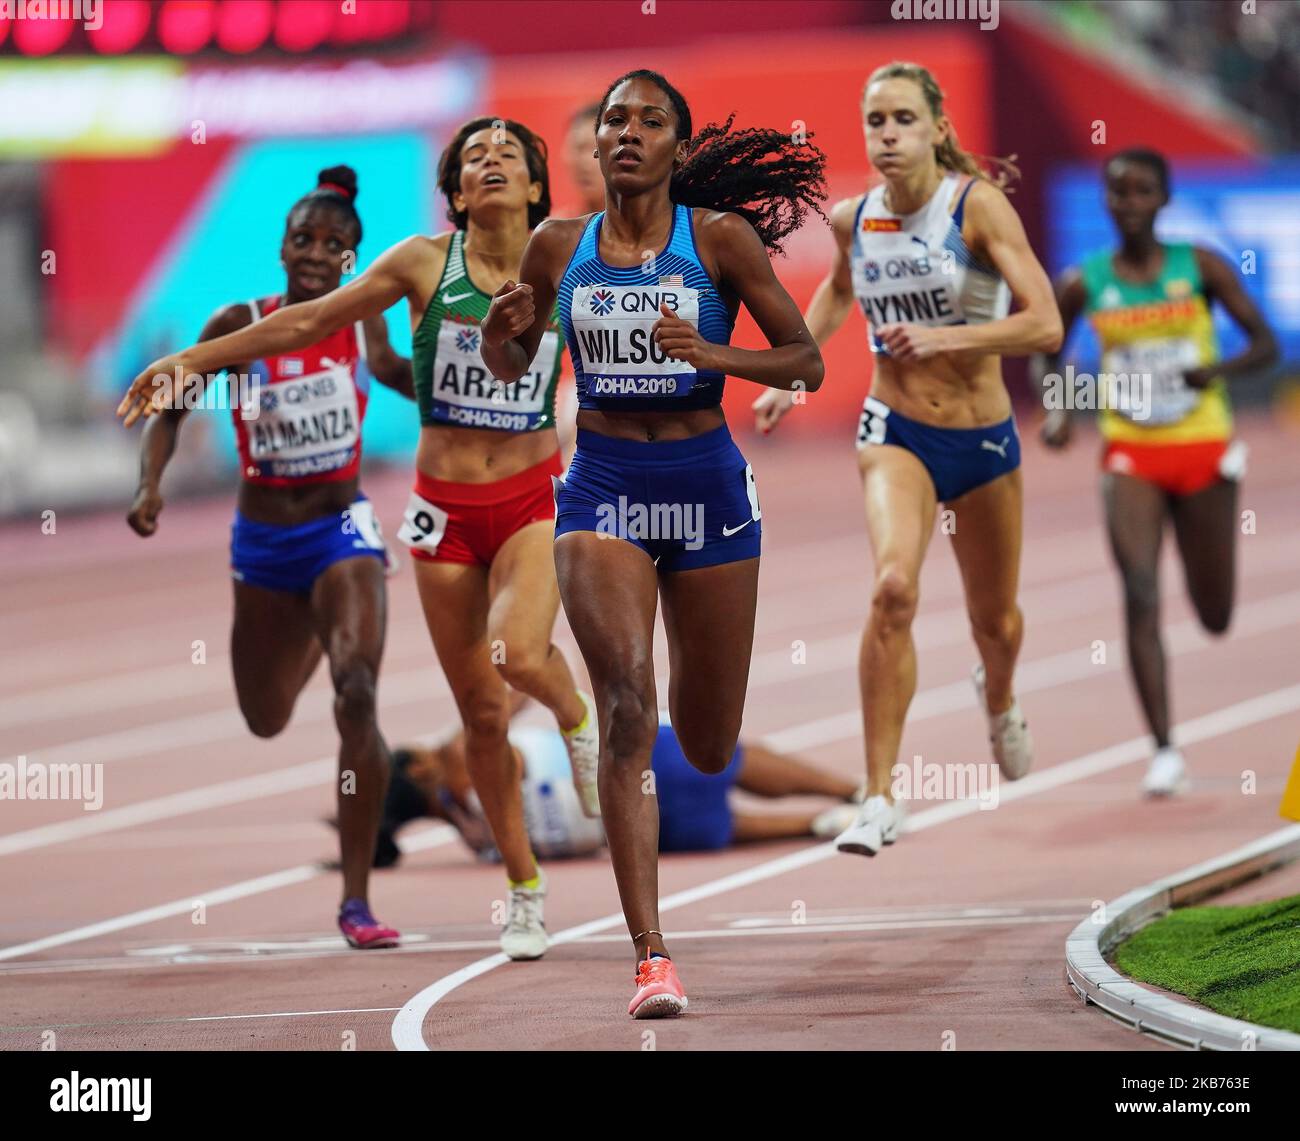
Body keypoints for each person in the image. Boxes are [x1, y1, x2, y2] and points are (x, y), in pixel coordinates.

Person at [118, 122, 600, 963]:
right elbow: (301, 327)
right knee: (475, 717)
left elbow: (647, 260)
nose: (488, 162)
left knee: (510, 658)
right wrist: (192, 364)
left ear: (534, 186)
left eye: (508, 157)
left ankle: (575, 718)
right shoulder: (418, 263)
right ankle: (525, 888)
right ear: (453, 192)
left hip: (506, 500)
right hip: (426, 513)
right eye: (472, 157)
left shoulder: (562, 251)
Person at [481, 69, 827, 1018]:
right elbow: (512, 363)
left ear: (678, 143)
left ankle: (691, 748)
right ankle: (652, 957)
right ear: (595, 148)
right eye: (611, 123)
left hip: (706, 486)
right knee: (627, 701)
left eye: (647, 121)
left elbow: (807, 358)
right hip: (605, 489)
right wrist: (504, 337)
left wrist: (713, 355)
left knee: (708, 742)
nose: (624, 134)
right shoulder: (560, 246)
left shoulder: (718, 240)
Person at [754, 61, 1063, 857]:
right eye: (875, 122)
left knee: (994, 621)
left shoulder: (977, 208)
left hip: (984, 437)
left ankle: (998, 696)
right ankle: (880, 795)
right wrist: (794, 371)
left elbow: (1046, 324)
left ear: (936, 127)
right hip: (897, 429)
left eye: (902, 120)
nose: (887, 135)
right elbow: (834, 293)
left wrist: (949, 336)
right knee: (893, 588)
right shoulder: (856, 217)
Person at [121, 167, 413, 948]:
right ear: (282, 247)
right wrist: (150, 484)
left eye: (333, 245)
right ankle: (318, 623)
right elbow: (172, 406)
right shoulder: (237, 322)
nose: (315, 254)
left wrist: (481, 387)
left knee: (356, 693)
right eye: (302, 239)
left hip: (341, 528)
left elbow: (396, 375)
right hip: (264, 543)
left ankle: (357, 899)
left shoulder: (362, 320)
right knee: (265, 716)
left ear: (353, 262)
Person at [1038, 148, 1277, 795]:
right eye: (1118, 192)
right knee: (1140, 590)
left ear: (1164, 199)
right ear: (1106, 202)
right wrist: (1060, 412)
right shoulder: (1084, 281)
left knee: (1215, 612)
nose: (1130, 203)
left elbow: (1267, 345)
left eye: (1143, 190)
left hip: (1202, 448)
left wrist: (1215, 373)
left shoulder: (1198, 266)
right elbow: (1047, 355)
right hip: (1130, 451)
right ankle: (1165, 747)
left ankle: (1208, 617)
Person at [373, 708, 862, 867]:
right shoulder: (467, 800)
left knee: (727, 786)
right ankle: (833, 807)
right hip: (624, 801)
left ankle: (839, 804)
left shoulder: (466, 790)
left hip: (625, 797)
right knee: (725, 795)